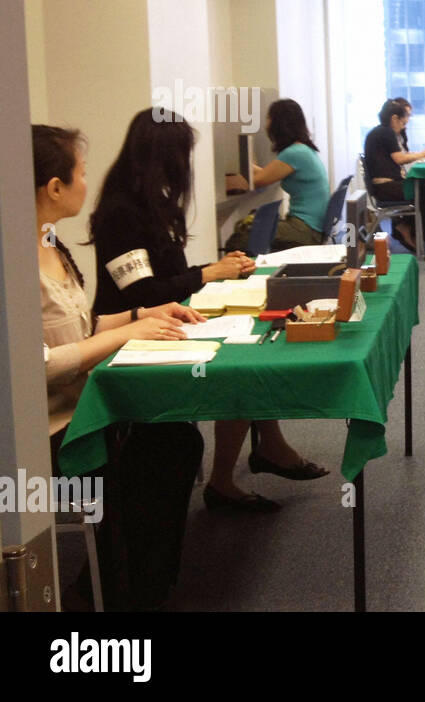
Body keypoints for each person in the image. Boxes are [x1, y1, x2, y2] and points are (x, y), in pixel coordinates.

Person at [90, 108, 328, 514]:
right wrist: (209, 273)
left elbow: (174, 277)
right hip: (136, 335)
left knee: (250, 356)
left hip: (169, 318)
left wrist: (214, 271)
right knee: (240, 369)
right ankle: (236, 472)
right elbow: (143, 295)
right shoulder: (120, 213)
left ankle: (261, 453)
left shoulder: (154, 203)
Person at [35, 123, 205, 610]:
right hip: (52, 424)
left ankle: (135, 583)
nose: (88, 182)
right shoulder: (20, 262)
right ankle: (115, 589)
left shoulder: (50, 244)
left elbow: (84, 325)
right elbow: (38, 365)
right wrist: (125, 332)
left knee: (173, 439)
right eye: (81, 173)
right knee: (166, 448)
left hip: (82, 399)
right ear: (54, 188)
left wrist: (140, 315)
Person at [224, 98, 330, 252]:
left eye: (268, 118)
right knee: (250, 225)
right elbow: (266, 174)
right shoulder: (303, 150)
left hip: (306, 230)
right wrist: (246, 162)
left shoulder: (294, 153)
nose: (266, 123)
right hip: (313, 227)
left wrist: (216, 181)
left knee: (239, 239)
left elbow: (255, 181)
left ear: (278, 123)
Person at [364, 98, 425, 251]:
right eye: (403, 123)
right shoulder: (386, 132)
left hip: (386, 185)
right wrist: (422, 154)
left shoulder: (380, 131)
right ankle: (406, 227)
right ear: (394, 118)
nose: (403, 127)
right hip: (386, 187)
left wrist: (416, 155)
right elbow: (399, 158)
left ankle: (409, 227)